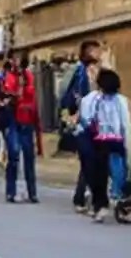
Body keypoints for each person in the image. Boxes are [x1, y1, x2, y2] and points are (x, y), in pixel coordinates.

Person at [79, 68, 130, 223]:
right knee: (115, 174)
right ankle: (108, 203)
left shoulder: (91, 99)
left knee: (109, 175)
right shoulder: (96, 99)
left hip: (104, 143)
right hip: (109, 143)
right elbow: (125, 125)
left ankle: (106, 205)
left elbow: (85, 121)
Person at [60, 40, 103, 213]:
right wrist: (75, 115)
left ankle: (83, 197)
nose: (100, 54)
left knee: (89, 160)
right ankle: (85, 199)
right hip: (83, 121)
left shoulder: (90, 71)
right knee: (90, 159)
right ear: (89, 52)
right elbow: (76, 95)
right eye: (97, 51)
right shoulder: (80, 72)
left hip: (92, 121)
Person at [0, 52, 41, 203]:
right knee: (14, 155)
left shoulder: (29, 76)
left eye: (19, 58)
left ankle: (32, 192)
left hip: (27, 119)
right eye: (14, 59)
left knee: (29, 156)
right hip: (13, 119)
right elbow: (3, 95)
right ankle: (11, 191)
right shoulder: (6, 77)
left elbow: (33, 98)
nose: (16, 61)